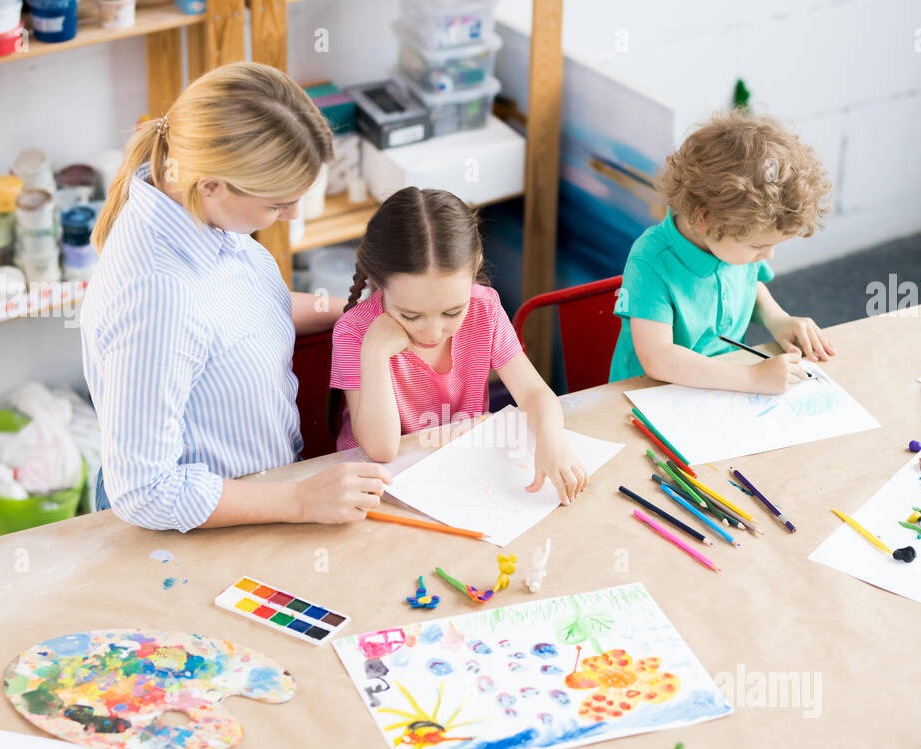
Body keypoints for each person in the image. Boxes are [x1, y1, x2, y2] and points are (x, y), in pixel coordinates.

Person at [82, 62, 391, 532]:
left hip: (259, 493)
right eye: (276, 203)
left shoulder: (198, 214)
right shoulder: (159, 295)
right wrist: (300, 501)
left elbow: (243, 314)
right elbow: (144, 491)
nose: (289, 215)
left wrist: (354, 313)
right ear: (212, 185)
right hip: (202, 527)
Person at [329, 188, 588, 504]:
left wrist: (552, 440)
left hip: (462, 472)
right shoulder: (355, 333)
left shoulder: (485, 308)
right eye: (410, 315)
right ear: (379, 282)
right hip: (383, 490)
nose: (433, 331)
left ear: (475, 266)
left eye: (452, 312)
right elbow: (381, 449)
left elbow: (533, 392)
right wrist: (375, 352)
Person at [609, 111, 835, 393]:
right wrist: (753, 379)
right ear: (704, 218)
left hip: (719, 384)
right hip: (650, 394)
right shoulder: (651, 261)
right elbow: (658, 358)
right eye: (758, 247)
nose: (768, 256)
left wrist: (777, 320)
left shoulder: (730, 240)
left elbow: (749, 286)